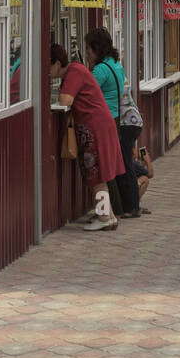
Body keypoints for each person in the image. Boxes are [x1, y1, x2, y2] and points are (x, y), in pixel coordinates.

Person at [50, 43, 124, 231]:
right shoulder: (77, 70)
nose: (47, 72)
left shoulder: (74, 71)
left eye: (48, 67)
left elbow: (65, 100)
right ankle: (110, 216)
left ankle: (104, 216)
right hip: (98, 126)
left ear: (58, 63)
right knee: (99, 175)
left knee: (96, 175)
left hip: (94, 128)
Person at [86, 26, 142, 218]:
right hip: (119, 118)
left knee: (108, 169)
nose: (87, 53)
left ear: (95, 48)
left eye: (88, 49)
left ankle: (115, 211)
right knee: (120, 165)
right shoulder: (115, 63)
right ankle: (125, 207)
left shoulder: (101, 69)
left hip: (105, 120)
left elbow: (86, 89)